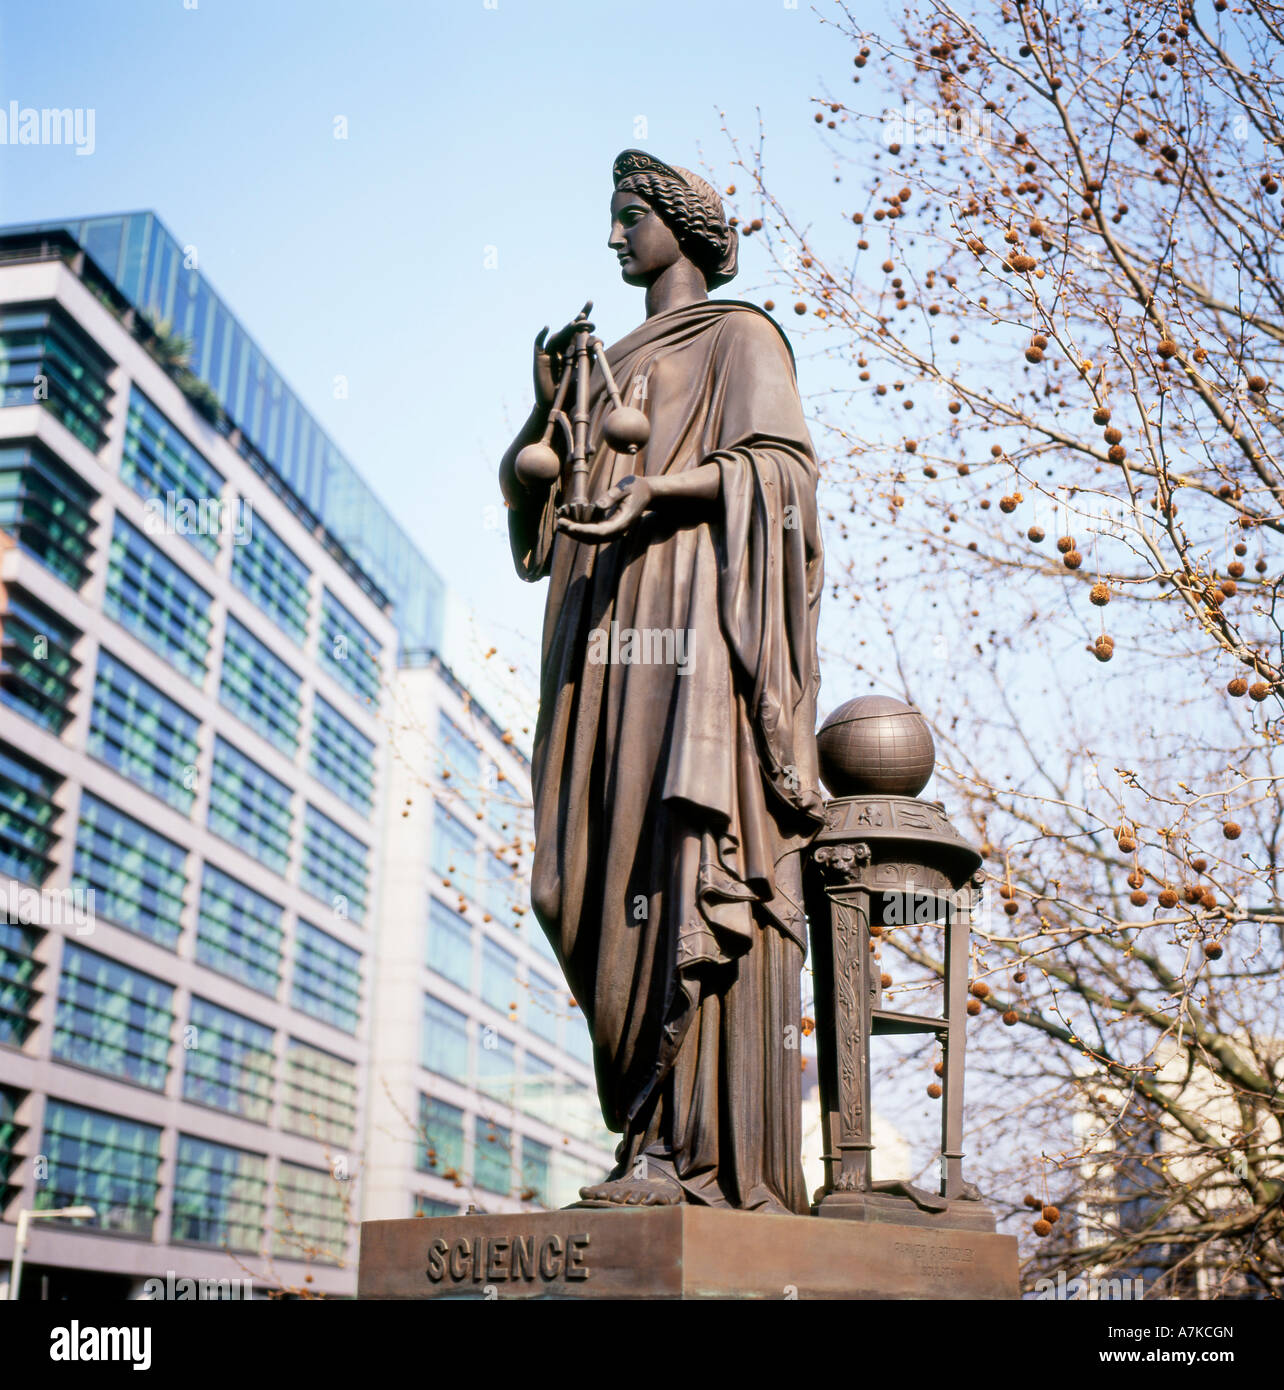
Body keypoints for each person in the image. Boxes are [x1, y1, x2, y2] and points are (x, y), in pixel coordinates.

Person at [499, 149, 825, 1214]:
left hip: (684, 627)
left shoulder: (740, 336)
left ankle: (683, 1146)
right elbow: (541, 531)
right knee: (569, 880)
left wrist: (661, 496)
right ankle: (645, 1127)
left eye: (628, 217)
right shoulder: (600, 361)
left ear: (679, 226)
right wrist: (537, 421)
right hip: (594, 641)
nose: (613, 239)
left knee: (678, 862)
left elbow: (779, 471)